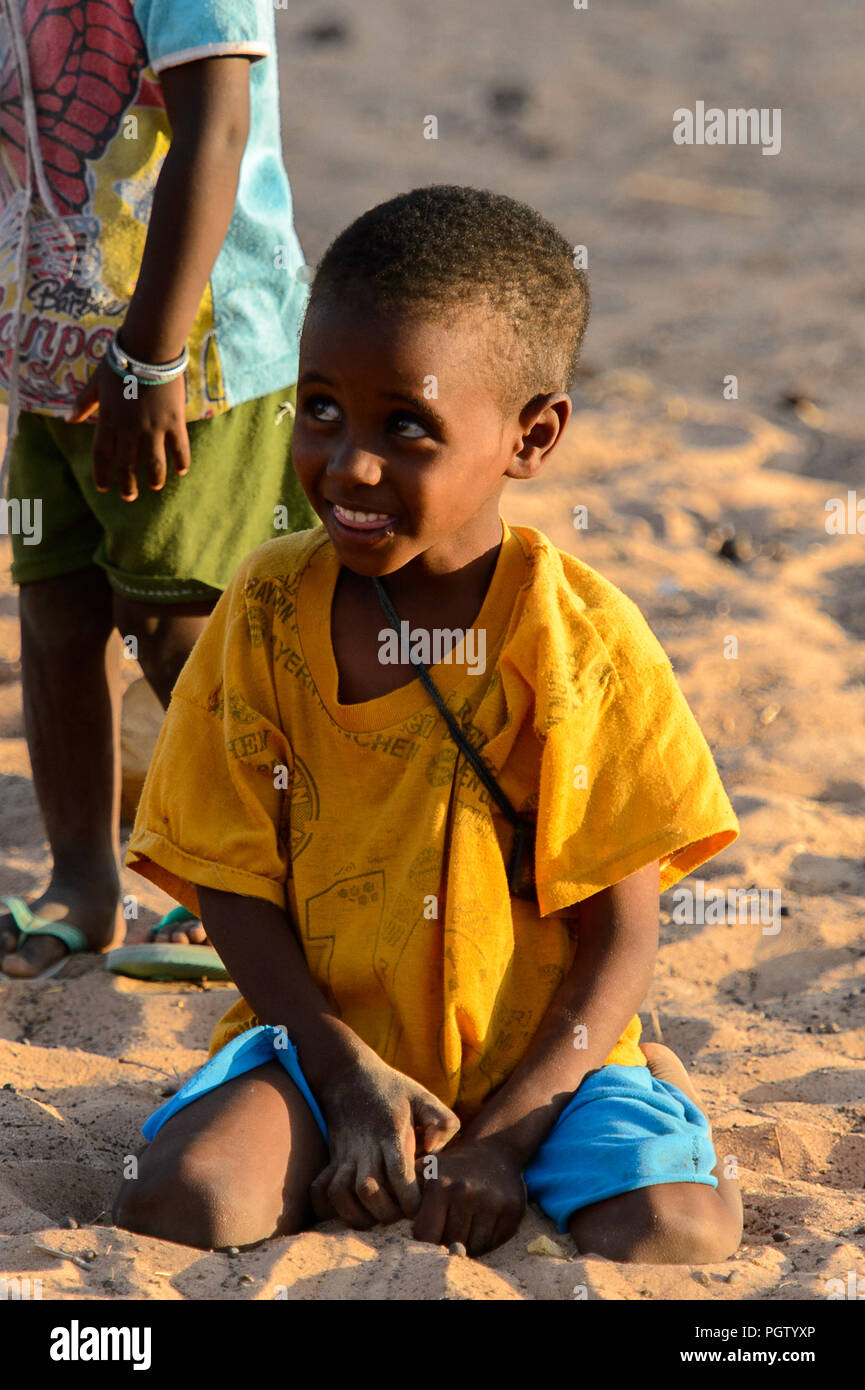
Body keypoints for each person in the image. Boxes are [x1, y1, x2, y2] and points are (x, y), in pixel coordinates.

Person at [115, 186, 743, 1262]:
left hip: (547, 1057)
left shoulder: (576, 639)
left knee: (671, 1231)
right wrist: (339, 1069)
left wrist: (503, 1137)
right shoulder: (264, 609)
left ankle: (644, 1091)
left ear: (530, 436)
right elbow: (229, 878)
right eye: (321, 409)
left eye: (405, 425)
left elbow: (624, 930)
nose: (349, 464)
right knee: (190, 1200)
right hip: (320, 1045)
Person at [0, 0, 316, 978]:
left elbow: (214, 131)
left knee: (178, 628)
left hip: (196, 359)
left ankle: (274, 893)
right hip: (50, 346)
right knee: (55, 611)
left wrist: (149, 358)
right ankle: (85, 884)